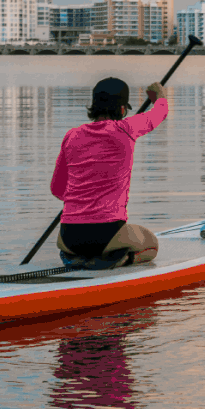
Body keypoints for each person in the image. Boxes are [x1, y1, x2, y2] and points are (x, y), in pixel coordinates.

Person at [50, 77, 169, 268]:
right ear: (122, 109)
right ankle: (119, 259)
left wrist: (82, 198)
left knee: (78, 245)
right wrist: (159, 97)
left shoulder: (71, 136)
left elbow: (57, 190)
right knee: (151, 244)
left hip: (69, 237)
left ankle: (76, 258)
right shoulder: (127, 129)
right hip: (107, 234)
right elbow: (159, 113)